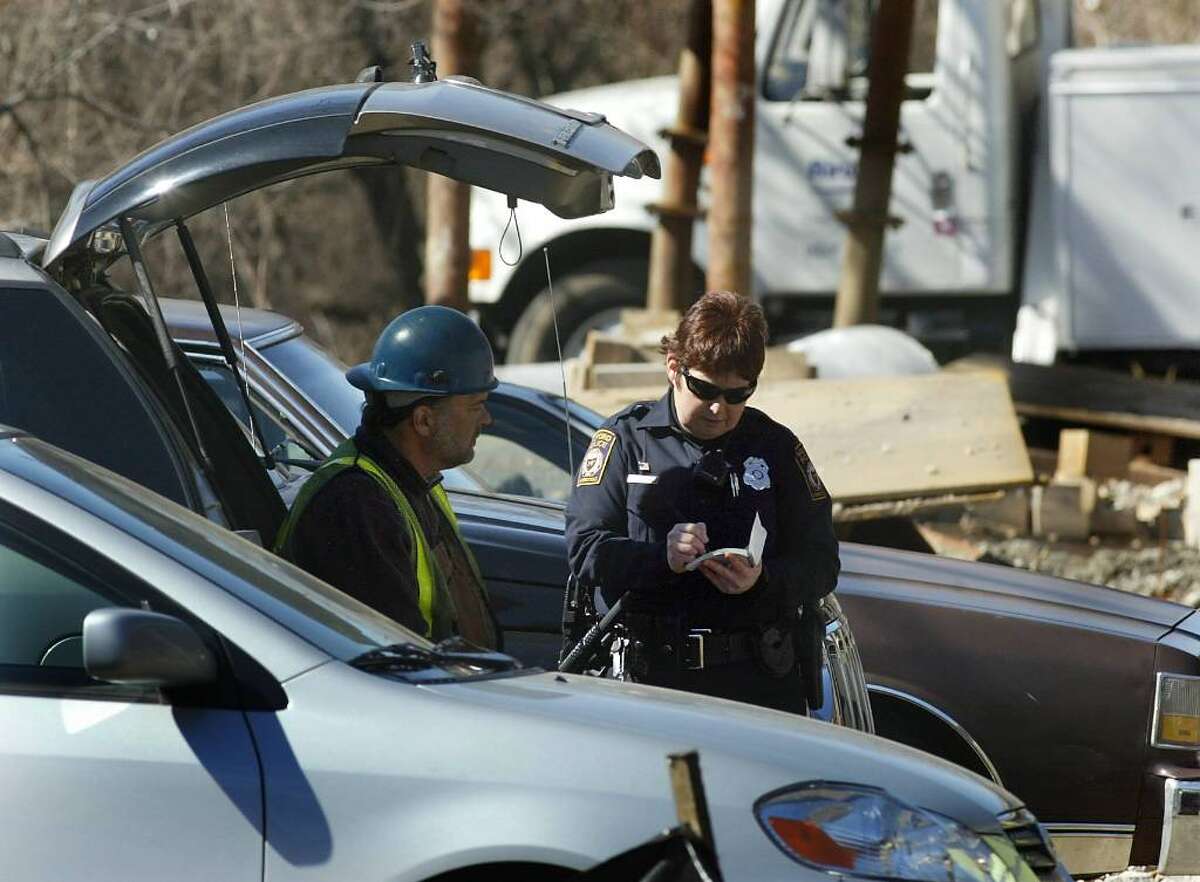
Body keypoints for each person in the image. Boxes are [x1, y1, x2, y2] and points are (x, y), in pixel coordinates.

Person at [565, 291, 839, 713]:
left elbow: (822, 561)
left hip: (756, 683)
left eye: (737, 396)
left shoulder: (775, 447)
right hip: (653, 684)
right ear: (674, 367)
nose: (718, 408)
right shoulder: (624, 439)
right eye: (704, 388)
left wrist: (763, 578)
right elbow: (585, 549)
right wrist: (662, 558)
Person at [275, 305, 500, 649]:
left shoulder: (414, 484)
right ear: (423, 421)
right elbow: (395, 659)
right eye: (475, 405)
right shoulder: (354, 505)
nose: (487, 419)